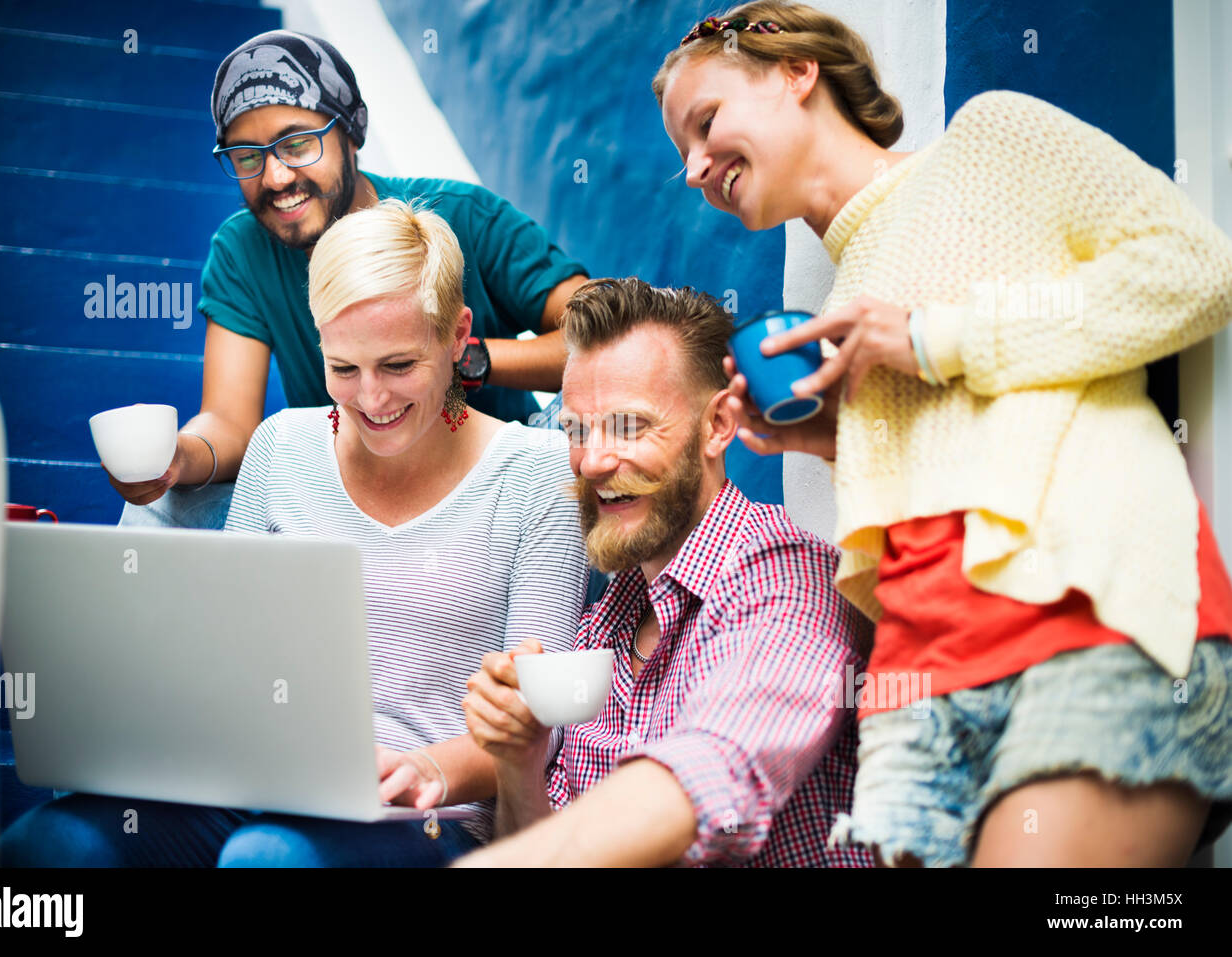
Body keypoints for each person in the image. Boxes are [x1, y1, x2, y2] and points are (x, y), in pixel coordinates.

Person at [654, 1, 1232, 866]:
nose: (695, 167)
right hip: (914, 681)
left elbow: (1195, 269)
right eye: (683, 156)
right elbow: (974, 450)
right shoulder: (850, 303)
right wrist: (829, 438)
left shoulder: (988, 142)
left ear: (795, 72)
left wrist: (935, 338)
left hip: (1087, 625)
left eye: (706, 123)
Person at [0, 200, 589, 867]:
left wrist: (425, 767)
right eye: (343, 368)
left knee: (268, 859)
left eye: (398, 365)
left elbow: (542, 722)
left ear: (457, 338)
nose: (371, 400)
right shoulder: (282, 445)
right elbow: (228, 660)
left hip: (427, 813)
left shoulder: (537, 474)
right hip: (256, 792)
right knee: (50, 844)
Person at [455, 277, 873, 867]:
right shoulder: (603, 624)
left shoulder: (787, 579)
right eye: (576, 429)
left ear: (718, 425)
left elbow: (714, 768)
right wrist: (519, 761)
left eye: (628, 426)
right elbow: (554, 834)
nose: (594, 461)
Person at [112, 30, 589, 529]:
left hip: (492, 498)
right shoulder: (242, 251)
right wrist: (179, 459)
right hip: (346, 506)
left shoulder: (462, 215)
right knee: (166, 506)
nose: (275, 177)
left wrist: (469, 358)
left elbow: (606, 339)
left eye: (297, 144)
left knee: (597, 424)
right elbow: (230, 421)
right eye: (247, 156)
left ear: (350, 131)